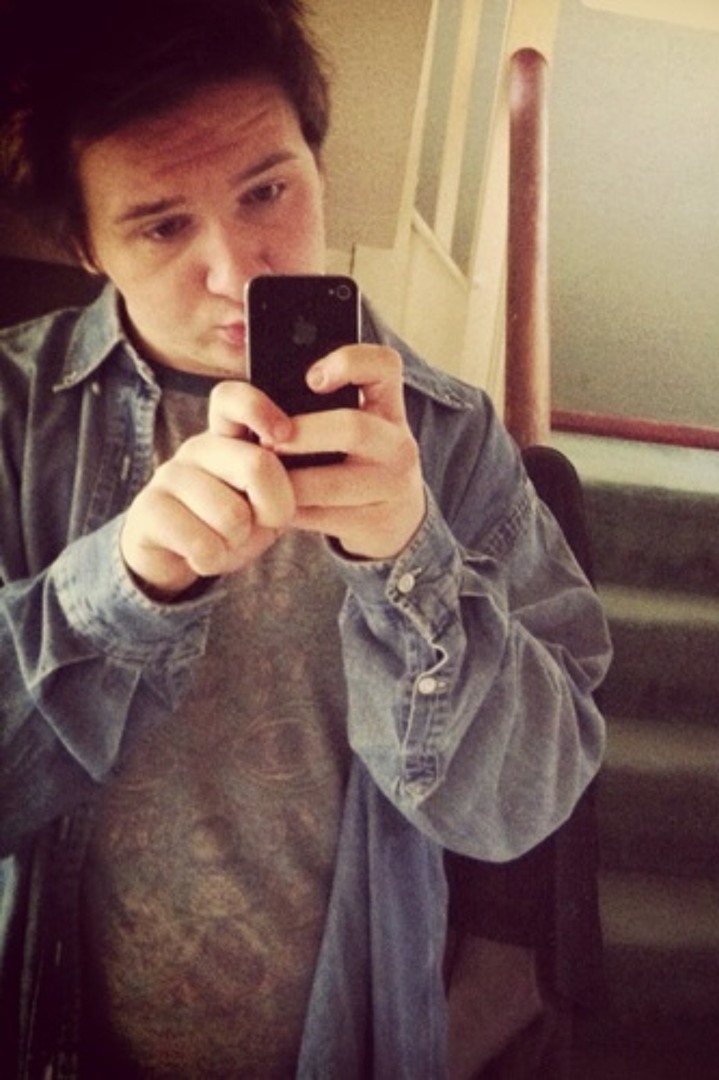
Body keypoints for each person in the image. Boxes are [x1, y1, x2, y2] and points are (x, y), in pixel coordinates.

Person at [0, 0, 610, 1075]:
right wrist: (118, 590)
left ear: (319, 166)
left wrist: (412, 563)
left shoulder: (452, 438)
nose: (238, 270)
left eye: (266, 191)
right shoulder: (14, 418)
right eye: (162, 226)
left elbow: (526, 801)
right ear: (87, 245)